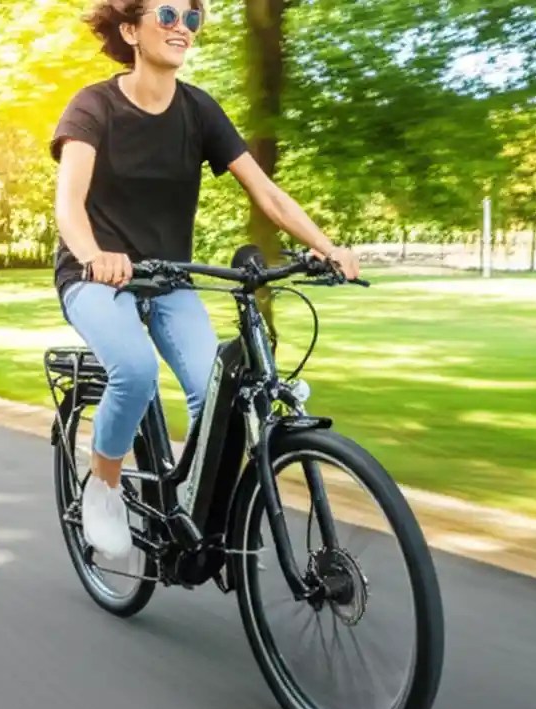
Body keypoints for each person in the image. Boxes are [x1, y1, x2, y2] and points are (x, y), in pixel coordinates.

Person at [51, 0, 359, 558]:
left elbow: (265, 193)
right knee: (136, 370)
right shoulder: (93, 106)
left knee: (219, 397)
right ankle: (104, 485)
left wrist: (326, 247)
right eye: (167, 14)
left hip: (170, 279)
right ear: (130, 30)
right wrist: (96, 254)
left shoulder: (198, 110)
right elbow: (69, 204)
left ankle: (194, 510)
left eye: (191, 19)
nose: (181, 28)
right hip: (96, 276)